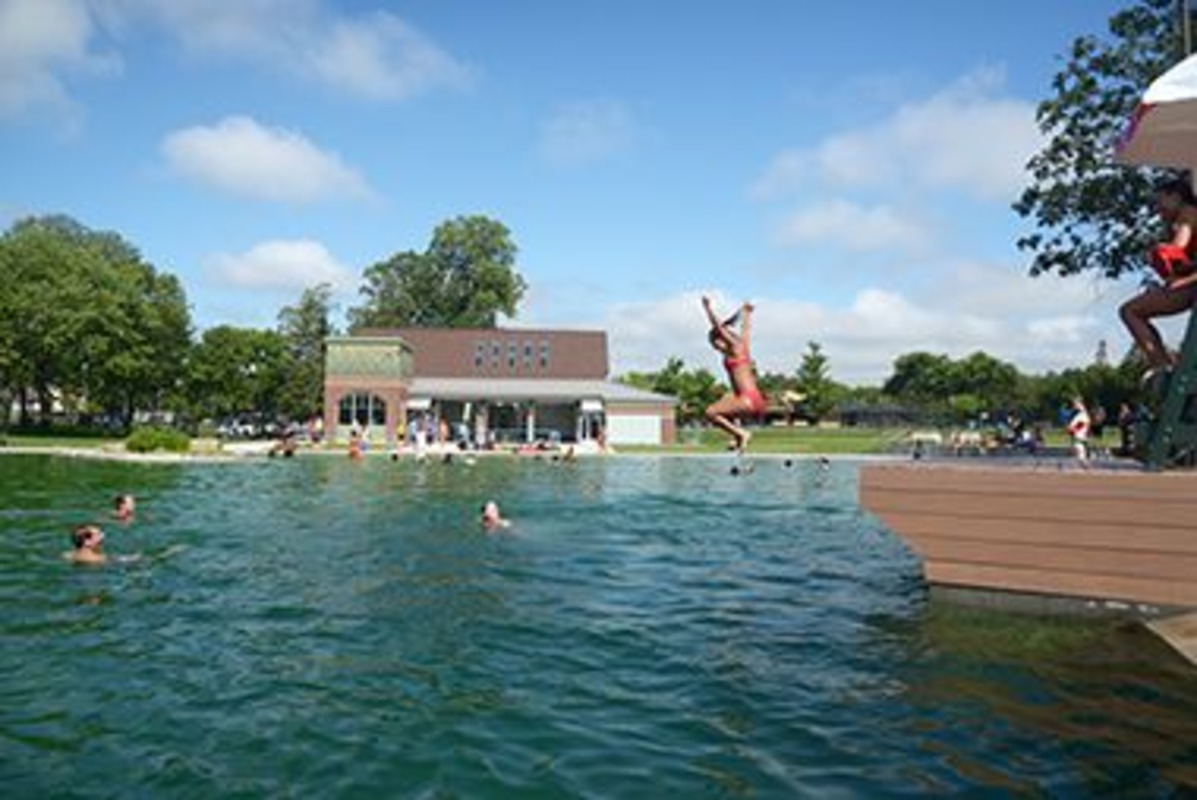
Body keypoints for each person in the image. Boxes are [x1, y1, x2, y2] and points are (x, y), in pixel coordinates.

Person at [1119, 177, 1197, 382]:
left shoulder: (1187, 212)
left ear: (1176, 196)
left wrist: (1161, 254)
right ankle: (1164, 363)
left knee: (1130, 311)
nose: (1157, 209)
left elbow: (1177, 248)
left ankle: (1161, 364)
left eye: (1160, 201)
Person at [701, 296, 767, 452]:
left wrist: (707, 309)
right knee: (725, 399)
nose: (714, 347)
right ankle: (737, 437)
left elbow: (718, 326)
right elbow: (746, 331)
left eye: (714, 343)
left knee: (710, 412)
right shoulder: (741, 346)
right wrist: (747, 314)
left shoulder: (735, 346)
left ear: (720, 339)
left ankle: (741, 434)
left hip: (747, 400)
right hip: (753, 398)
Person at [1067, 397, 1091, 461]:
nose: (1074, 405)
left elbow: (1082, 425)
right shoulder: (1077, 414)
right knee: (1079, 453)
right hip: (1078, 436)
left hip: (1079, 436)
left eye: (1076, 403)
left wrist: (1073, 429)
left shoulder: (1082, 414)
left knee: (1080, 454)